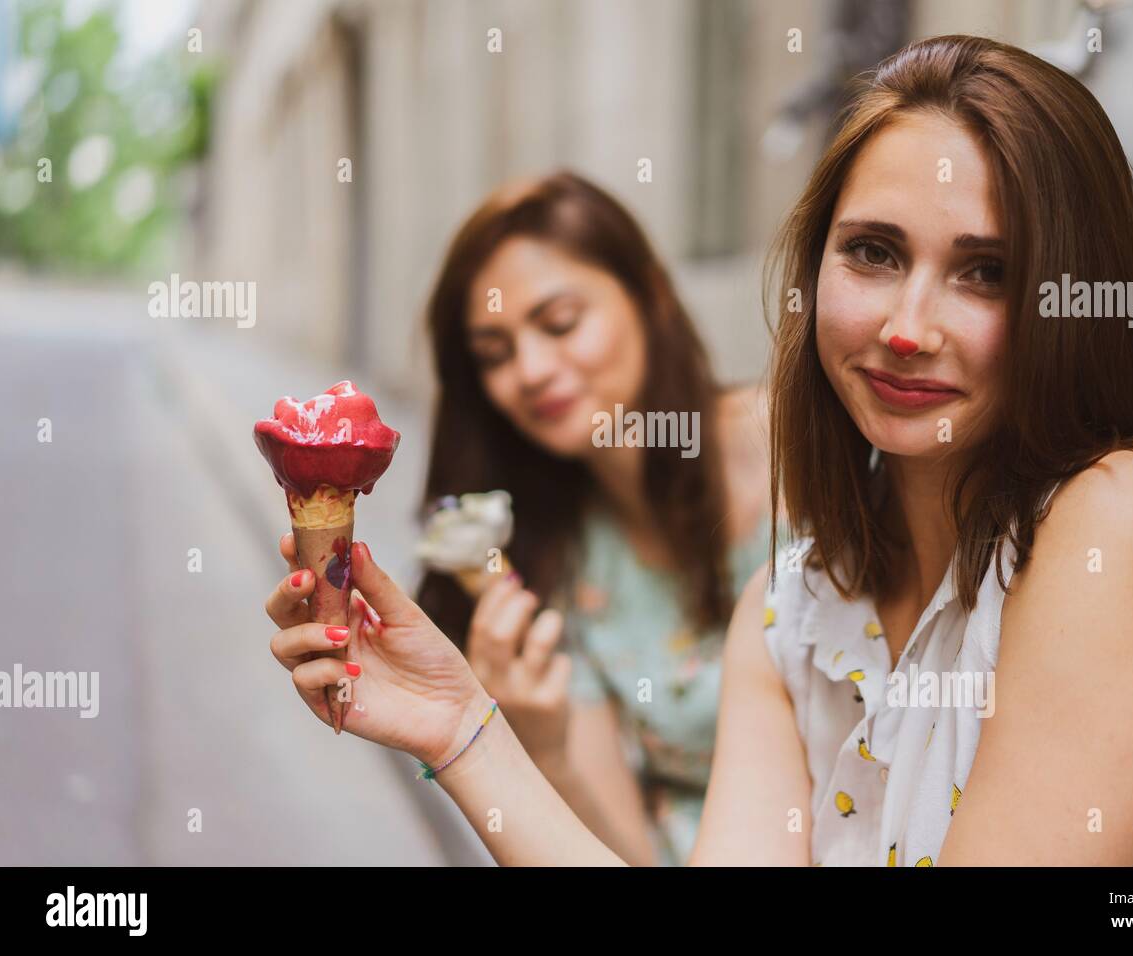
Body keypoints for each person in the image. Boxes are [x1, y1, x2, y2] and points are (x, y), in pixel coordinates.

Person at [264, 35, 1133, 865]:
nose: (905, 321)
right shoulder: (793, 610)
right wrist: (460, 726)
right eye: (873, 252)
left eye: (985, 271)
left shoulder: (1118, 519)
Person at [267, 171, 772, 865]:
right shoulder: (545, 564)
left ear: (651, 293)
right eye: (494, 354)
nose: (531, 370)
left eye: (561, 323)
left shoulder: (807, 455)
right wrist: (538, 751)